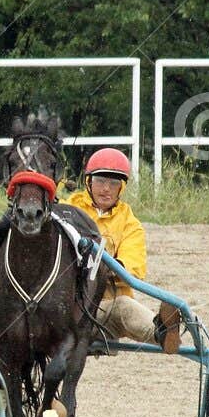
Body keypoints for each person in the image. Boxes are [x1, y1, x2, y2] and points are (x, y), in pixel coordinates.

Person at [61, 148, 181, 355]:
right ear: (88, 182)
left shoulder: (129, 224)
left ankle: (162, 333)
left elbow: (130, 271)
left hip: (99, 310)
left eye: (114, 183)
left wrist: (100, 266)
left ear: (122, 187)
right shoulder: (68, 207)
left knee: (124, 306)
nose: (106, 189)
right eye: (100, 181)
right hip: (60, 306)